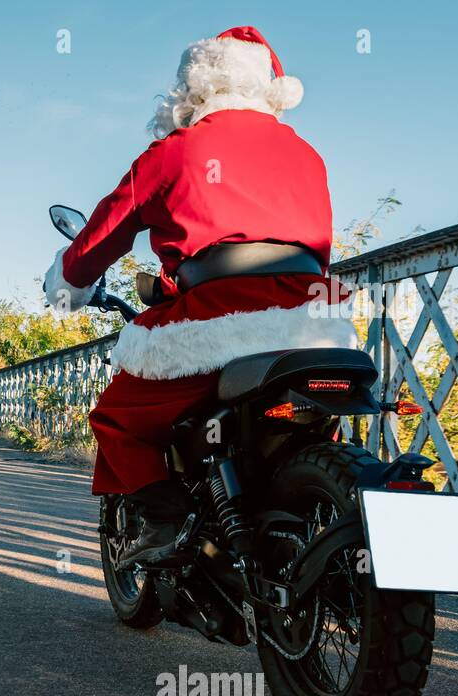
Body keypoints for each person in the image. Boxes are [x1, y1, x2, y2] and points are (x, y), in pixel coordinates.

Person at [43, 25, 358, 564]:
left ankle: (165, 520)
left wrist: (66, 286)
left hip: (216, 320)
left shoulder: (173, 152)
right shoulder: (307, 155)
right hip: (314, 322)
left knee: (117, 416)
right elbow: (312, 251)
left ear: (193, 89)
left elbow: (96, 242)